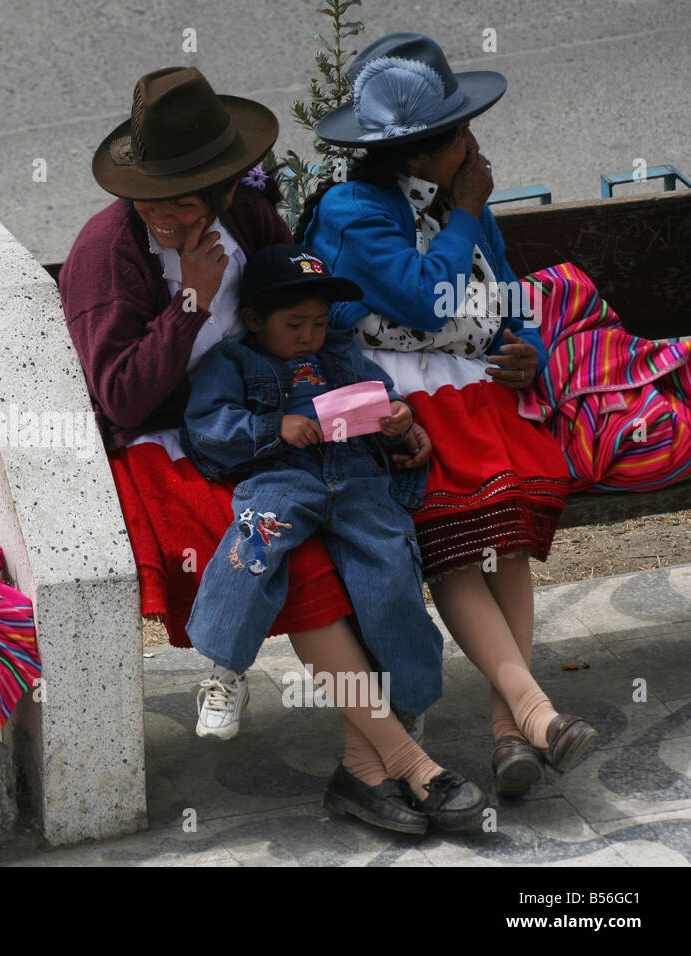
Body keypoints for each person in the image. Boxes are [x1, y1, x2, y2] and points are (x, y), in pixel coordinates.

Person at [61, 67, 471, 833]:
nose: (165, 214)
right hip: (174, 447)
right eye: (151, 197)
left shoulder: (249, 218)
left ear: (221, 189)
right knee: (298, 560)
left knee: (372, 542)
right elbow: (121, 397)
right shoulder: (107, 255)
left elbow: (313, 320)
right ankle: (410, 763)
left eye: (185, 198)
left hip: (286, 431)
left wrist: (385, 409)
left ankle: (362, 770)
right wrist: (187, 298)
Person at [300, 32, 599, 799]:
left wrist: (524, 344)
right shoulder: (351, 210)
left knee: (506, 533)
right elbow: (420, 296)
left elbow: (503, 293)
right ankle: (534, 711)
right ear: (414, 155)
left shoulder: (460, 199)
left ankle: (514, 733)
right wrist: (467, 211)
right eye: (458, 136)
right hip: (399, 405)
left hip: (476, 390)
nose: (474, 146)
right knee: (458, 541)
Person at [180, 243, 485, 831]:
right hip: (281, 479)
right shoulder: (233, 362)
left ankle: (408, 700)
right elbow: (208, 429)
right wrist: (274, 426)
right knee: (252, 548)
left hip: (359, 480)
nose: (309, 335)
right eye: (294, 325)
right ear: (253, 320)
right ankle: (224, 673)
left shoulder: (341, 353)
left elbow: (382, 401)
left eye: (318, 322)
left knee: (393, 573)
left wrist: (400, 420)